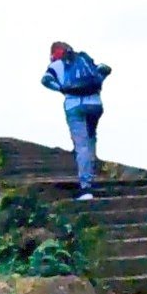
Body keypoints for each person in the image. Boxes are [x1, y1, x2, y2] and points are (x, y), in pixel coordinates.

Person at [41, 41, 113, 200]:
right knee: (91, 137)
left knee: (81, 145)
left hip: (74, 106)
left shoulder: (57, 65)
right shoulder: (84, 59)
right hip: (95, 104)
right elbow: (105, 69)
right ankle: (93, 168)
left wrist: (61, 88)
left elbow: (45, 80)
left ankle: (86, 187)